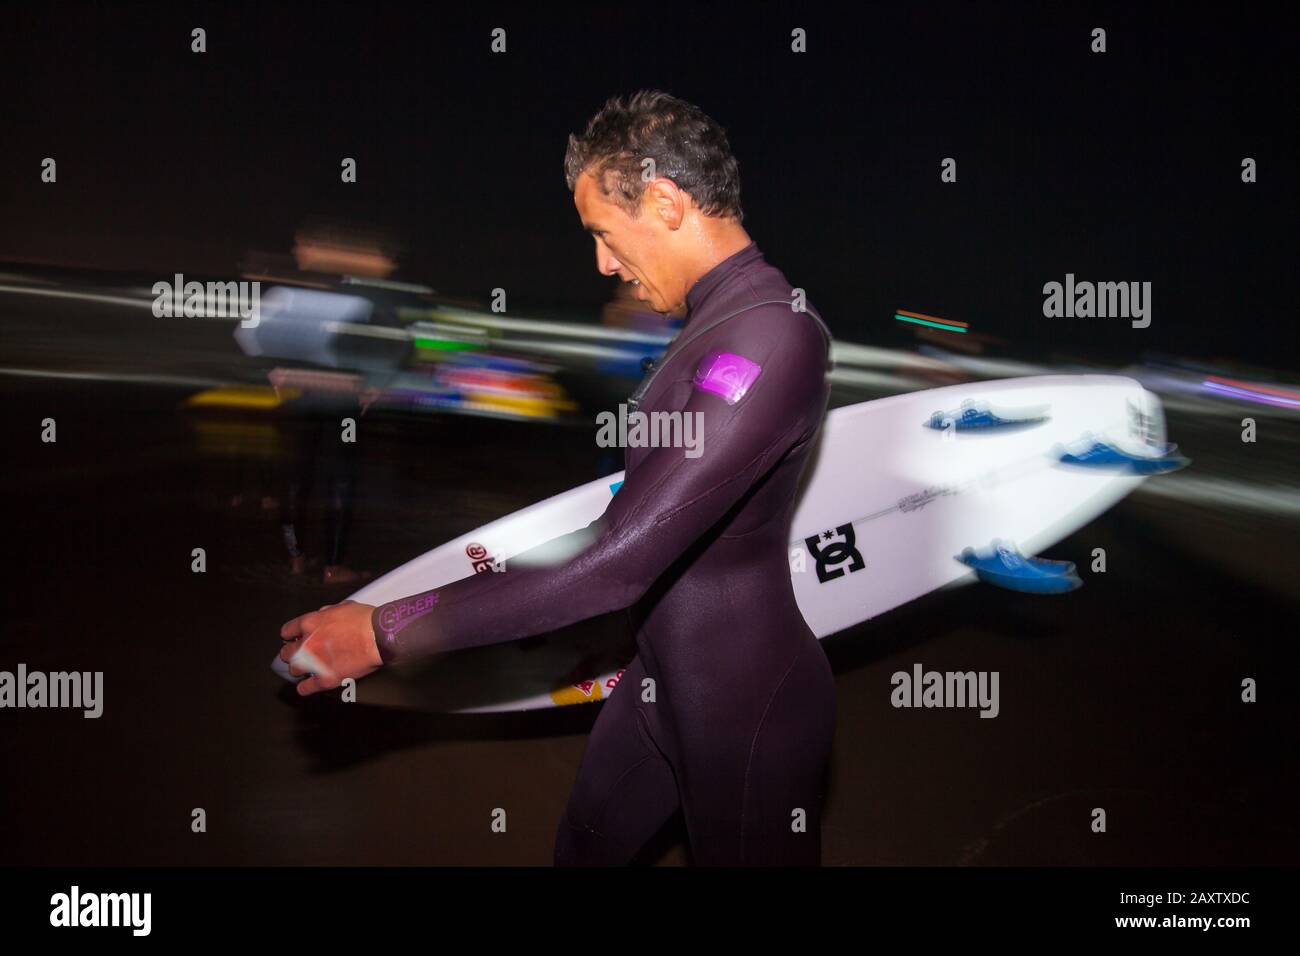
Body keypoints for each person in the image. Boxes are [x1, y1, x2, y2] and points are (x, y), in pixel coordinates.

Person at [279, 90, 836, 865]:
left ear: (667, 203)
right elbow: (640, 526)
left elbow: (619, 560)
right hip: (657, 685)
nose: (604, 263)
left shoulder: (772, 335)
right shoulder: (709, 324)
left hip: (744, 711)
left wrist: (385, 631)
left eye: (605, 234)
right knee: (583, 852)